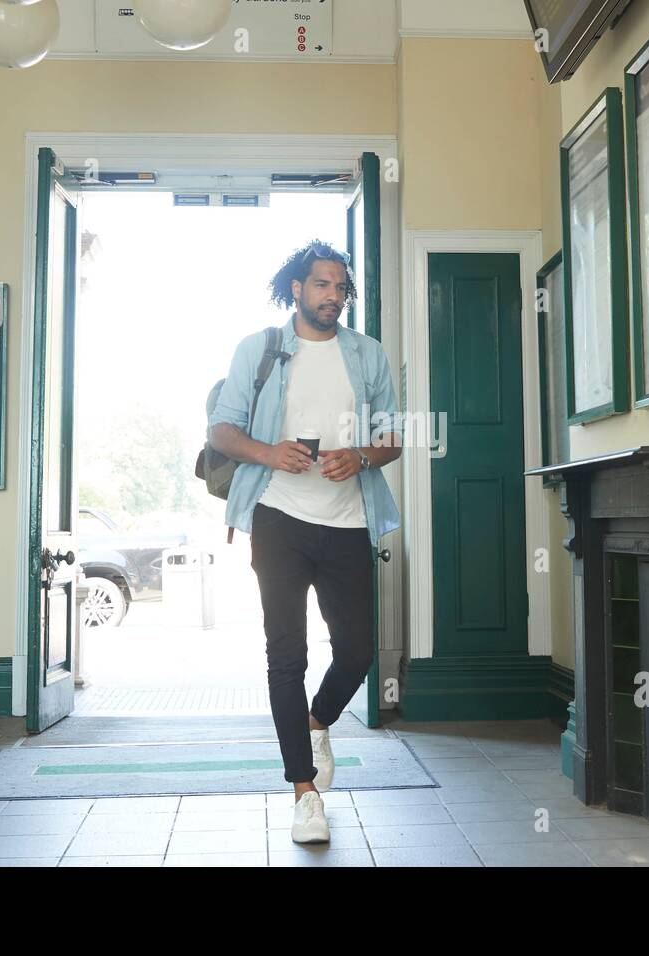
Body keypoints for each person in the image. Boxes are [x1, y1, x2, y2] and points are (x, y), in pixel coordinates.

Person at [207, 240, 402, 844]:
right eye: (322, 285)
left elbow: (393, 434)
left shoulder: (366, 355)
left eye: (341, 288)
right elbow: (220, 429)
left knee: (358, 651)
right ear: (296, 288)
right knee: (286, 656)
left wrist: (362, 456)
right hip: (278, 518)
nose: (333, 297)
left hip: (347, 522)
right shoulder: (261, 349)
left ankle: (318, 724)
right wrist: (271, 453)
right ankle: (303, 792)